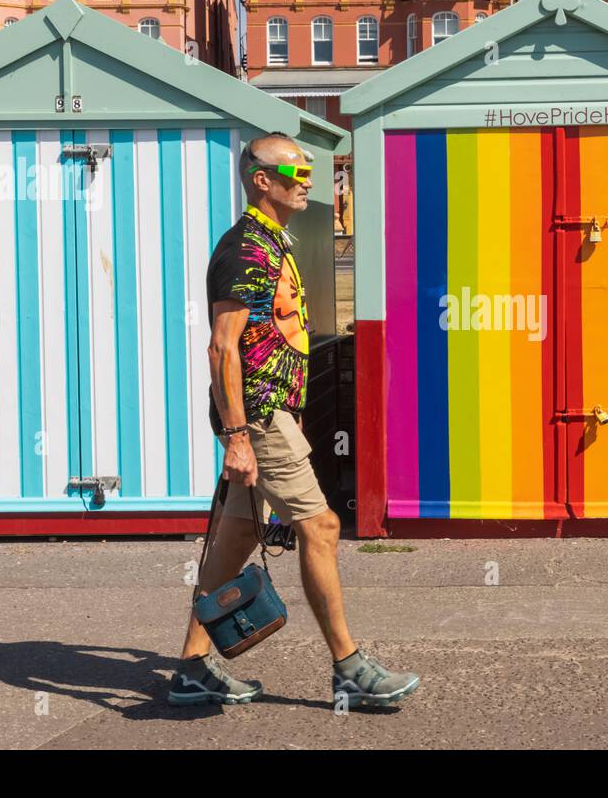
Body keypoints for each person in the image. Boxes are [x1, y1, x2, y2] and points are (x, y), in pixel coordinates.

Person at [168, 132, 420, 709]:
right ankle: (349, 669)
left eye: (309, 171)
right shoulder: (246, 251)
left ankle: (189, 668)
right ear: (262, 179)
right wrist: (237, 436)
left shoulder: (272, 243)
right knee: (322, 526)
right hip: (257, 417)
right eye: (297, 172)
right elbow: (222, 348)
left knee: (237, 538)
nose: (308, 180)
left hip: (272, 413)